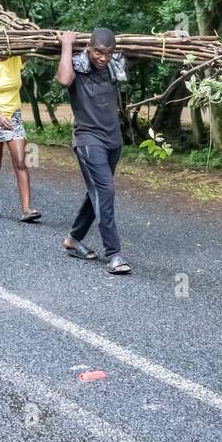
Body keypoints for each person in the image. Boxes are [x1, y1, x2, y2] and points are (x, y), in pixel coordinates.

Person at [56, 28, 130, 274]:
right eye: (98, 51)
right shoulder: (76, 63)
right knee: (105, 190)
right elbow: (64, 80)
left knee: (97, 191)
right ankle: (114, 254)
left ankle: (74, 238)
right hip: (88, 139)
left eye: (107, 53)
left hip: (113, 140)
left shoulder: (114, 64)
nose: (103, 57)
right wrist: (67, 45)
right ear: (89, 47)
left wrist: (171, 36)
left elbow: (147, 51)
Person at [0, 49, 41, 222]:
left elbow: (34, 48)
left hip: (14, 117)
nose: (6, 52)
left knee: (21, 162)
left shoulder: (15, 60)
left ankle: (27, 209)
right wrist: (0, 118)